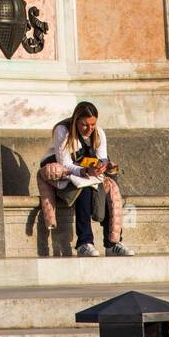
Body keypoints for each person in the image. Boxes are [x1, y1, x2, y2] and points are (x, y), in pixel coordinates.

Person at [37, 101, 134, 258]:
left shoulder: (99, 133)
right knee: (84, 190)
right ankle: (84, 242)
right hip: (60, 174)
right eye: (84, 125)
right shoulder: (62, 131)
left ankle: (113, 244)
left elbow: (102, 158)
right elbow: (65, 164)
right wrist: (83, 171)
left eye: (92, 124)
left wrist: (104, 166)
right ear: (76, 120)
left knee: (109, 190)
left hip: (87, 175)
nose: (89, 129)